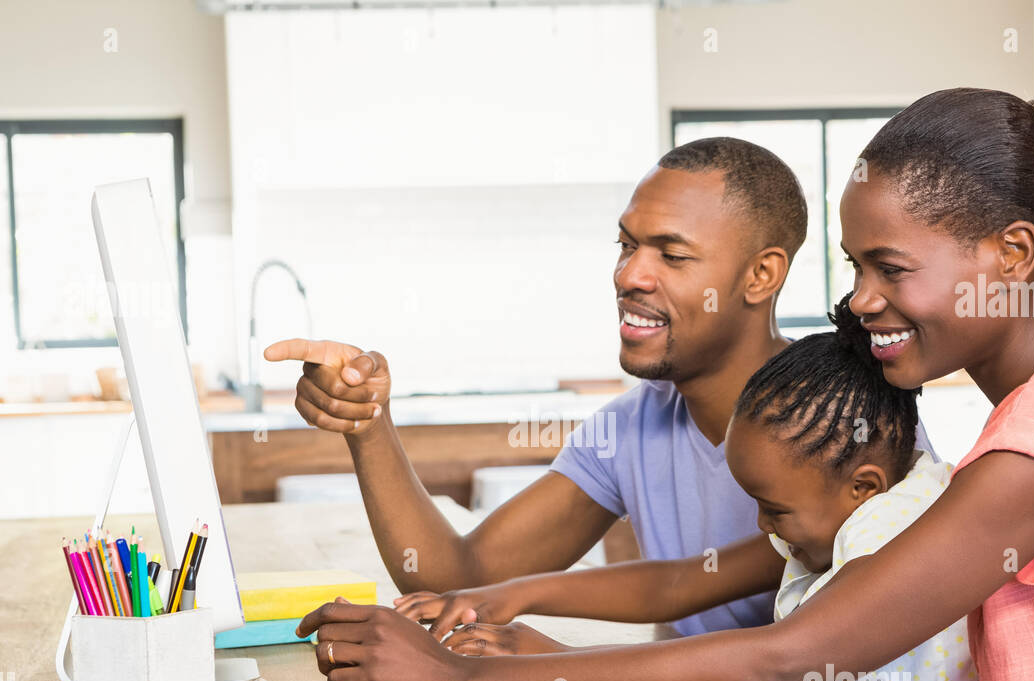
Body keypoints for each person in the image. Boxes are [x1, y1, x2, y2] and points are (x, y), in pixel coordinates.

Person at [299, 88, 1034, 681]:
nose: (858, 299)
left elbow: (791, 663)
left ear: (1010, 259)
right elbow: (744, 582)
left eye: (890, 267)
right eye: (857, 266)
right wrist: (512, 642)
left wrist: (460, 677)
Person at [398, 304, 991, 681]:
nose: (763, 526)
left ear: (863, 486)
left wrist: (554, 664)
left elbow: (773, 677)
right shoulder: (858, 503)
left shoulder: (889, 532)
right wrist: (515, 593)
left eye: (773, 509)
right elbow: (680, 583)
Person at [266, 137, 933, 637]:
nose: (629, 275)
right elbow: (457, 578)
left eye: (671, 255)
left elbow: (804, 661)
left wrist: (541, 657)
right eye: (625, 245)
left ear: (760, 277)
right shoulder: (630, 429)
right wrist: (368, 423)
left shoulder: (849, 420)